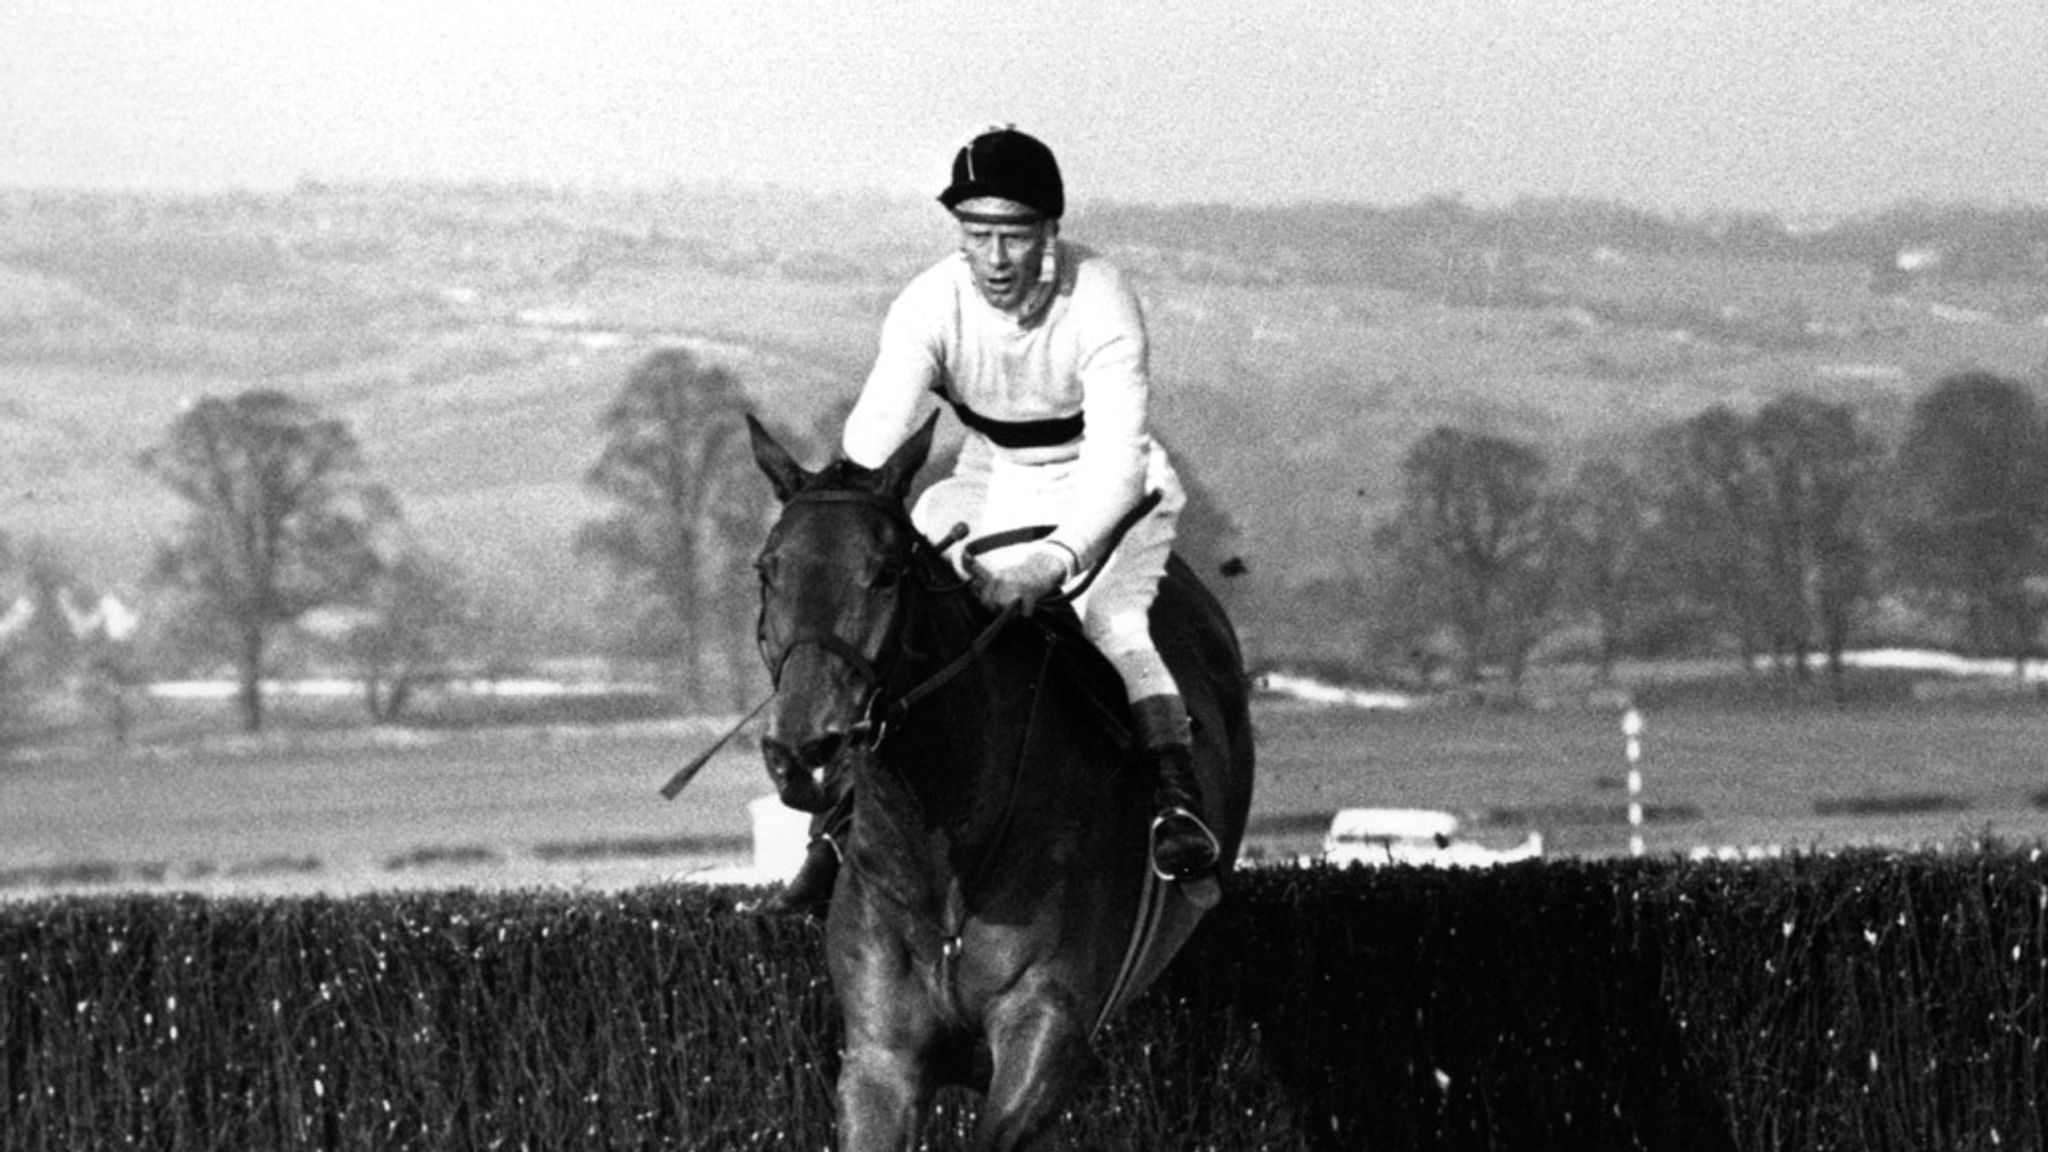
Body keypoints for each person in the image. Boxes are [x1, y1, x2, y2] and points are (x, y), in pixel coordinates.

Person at [770, 126, 1219, 914]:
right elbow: (873, 445)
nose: (997, 259)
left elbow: (1117, 466)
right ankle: (837, 824)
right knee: (907, 615)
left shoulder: (1102, 298)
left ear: (1051, 232)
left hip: (1109, 484)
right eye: (978, 236)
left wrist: (1049, 565)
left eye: (1015, 235)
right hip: (992, 475)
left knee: (1111, 621)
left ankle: (1173, 807)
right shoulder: (928, 304)